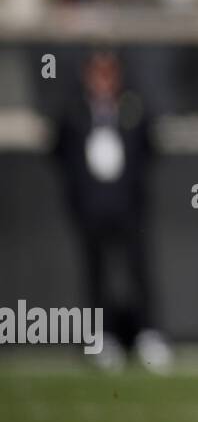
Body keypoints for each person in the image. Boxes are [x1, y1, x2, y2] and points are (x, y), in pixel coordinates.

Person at [53, 50, 170, 371]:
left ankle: (148, 335)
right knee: (96, 274)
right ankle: (101, 337)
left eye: (109, 72)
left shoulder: (133, 108)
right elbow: (60, 152)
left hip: (128, 205)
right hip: (92, 207)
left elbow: (151, 147)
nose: (104, 80)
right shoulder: (75, 111)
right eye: (98, 72)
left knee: (138, 270)